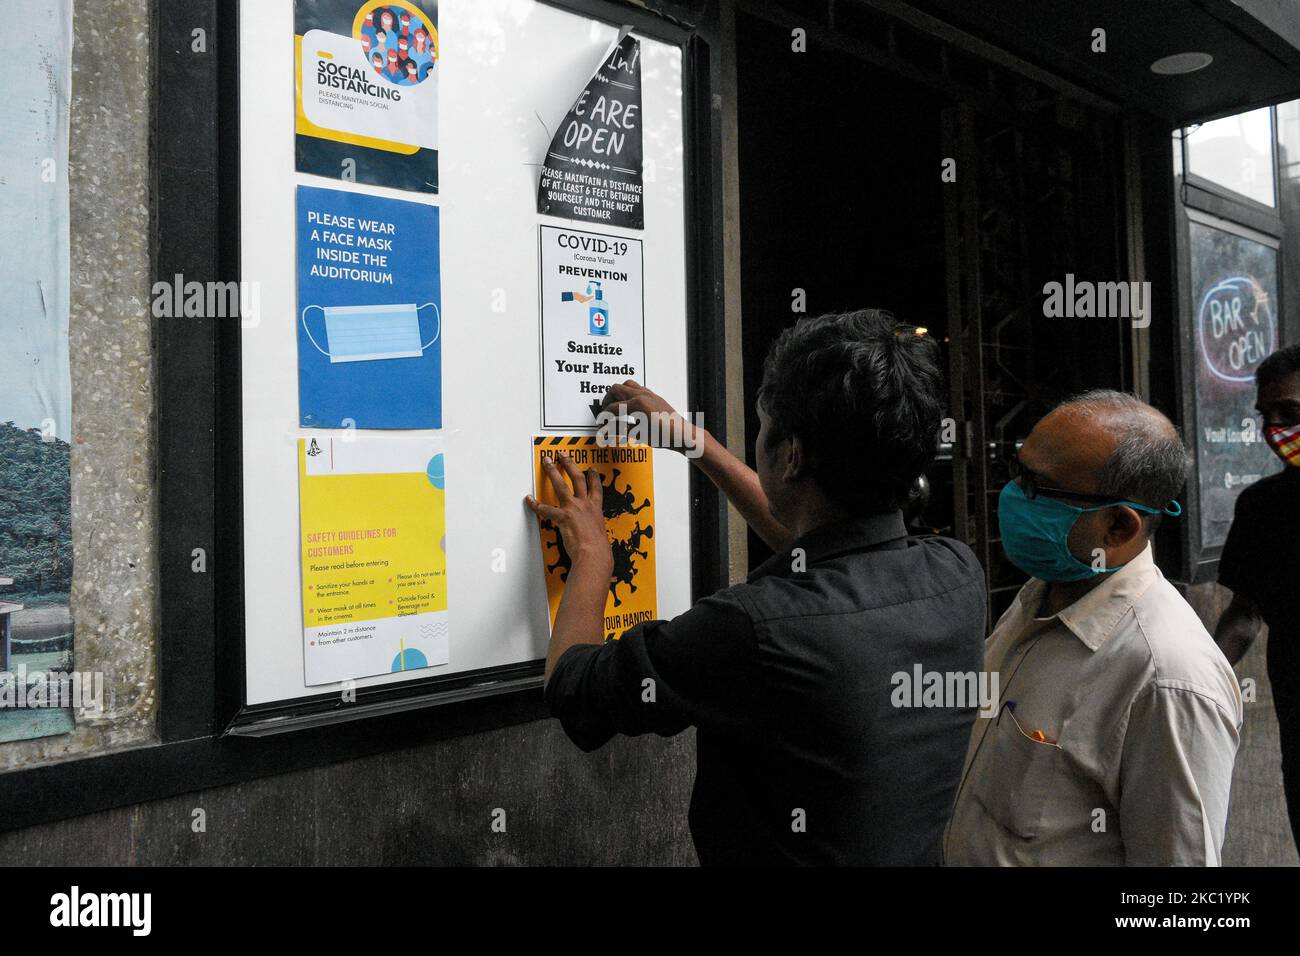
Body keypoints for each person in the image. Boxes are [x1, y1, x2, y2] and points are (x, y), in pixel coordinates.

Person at [525, 309, 987, 865]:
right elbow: (820, 545)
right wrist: (697, 445)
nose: (759, 438)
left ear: (791, 455)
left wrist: (596, 554)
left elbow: (573, 687)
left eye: (764, 428)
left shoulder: (752, 629)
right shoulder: (957, 575)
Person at [944, 390, 1242, 865]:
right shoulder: (1040, 595)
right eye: (1016, 474)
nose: (1013, 497)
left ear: (1119, 529)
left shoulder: (1170, 680)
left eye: (1037, 488)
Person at [1215, 343, 1300, 853]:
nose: (1276, 430)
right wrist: (1191, 681)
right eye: (1267, 416)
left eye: (1289, 413)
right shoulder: (1261, 508)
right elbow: (1244, 616)